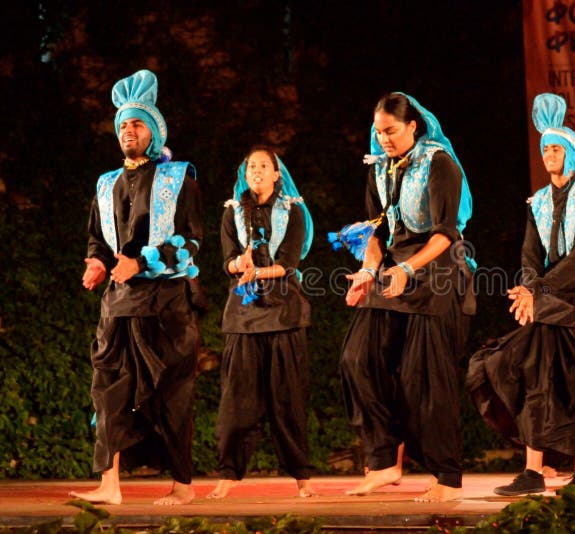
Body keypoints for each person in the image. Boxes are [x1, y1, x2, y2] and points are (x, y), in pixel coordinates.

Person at [467, 92, 575, 495]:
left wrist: (538, 290)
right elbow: (530, 253)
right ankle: (533, 469)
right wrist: (530, 288)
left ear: (571, 154)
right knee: (531, 370)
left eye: (556, 148)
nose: (549, 154)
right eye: (545, 148)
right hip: (547, 294)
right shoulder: (539, 201)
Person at [71, 69, 202, 505]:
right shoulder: (106, 183)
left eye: (138, 123)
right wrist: (96, 262)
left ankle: (182, 486)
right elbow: (97, 237)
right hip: (119, 305)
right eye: (123, 124)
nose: (129, 130)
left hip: (165, 306)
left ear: (155, 130)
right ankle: (109, 485)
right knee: (106, 391)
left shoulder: (180, 177)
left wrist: (141, 261)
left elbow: (190, 241)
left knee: (173, 394)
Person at [337, 92, 474, 502]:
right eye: (378, 132)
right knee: (357, 359)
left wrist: (408, 269)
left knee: (425, 379)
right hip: (394, 270)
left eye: (391, 131)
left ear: (413, 126)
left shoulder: (439, 164)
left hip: (436, 272)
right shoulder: (378, 166)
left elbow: (446, 233)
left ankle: (447, 478)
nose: (383, 140)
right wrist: (366, 272)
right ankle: (383, 462)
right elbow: (375, 232)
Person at [207, 147, 316, 499]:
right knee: (237, 400)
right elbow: (226, 261)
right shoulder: (231, 213)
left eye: (263, 165)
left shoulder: (293, 212)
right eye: (251, 166)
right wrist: (239, 266)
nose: (256, 171)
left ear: (276, 174)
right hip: (244, 316)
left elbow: (289, 262)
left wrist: (259, 270)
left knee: (289, 400)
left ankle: (302, 478)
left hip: (285, 314)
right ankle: (227, 474)